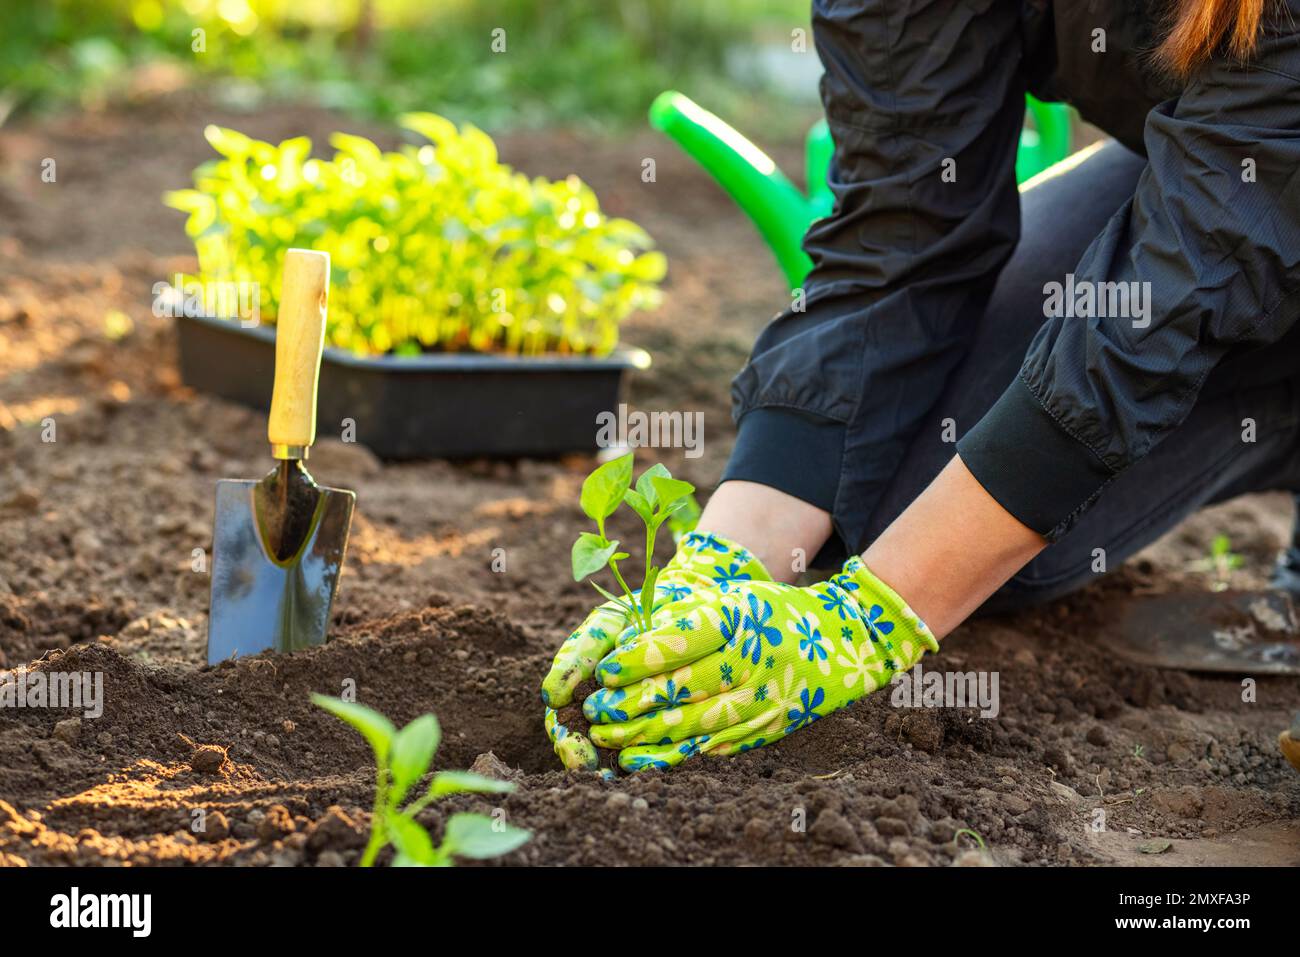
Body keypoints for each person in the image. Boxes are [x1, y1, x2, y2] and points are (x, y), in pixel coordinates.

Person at [543, 0, 1300, 772]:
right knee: (900, 513)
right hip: (1230, 171)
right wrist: (720, 567)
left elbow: (1173, 301)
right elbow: (897, 227)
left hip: (1259, 181)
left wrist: (865, 625)